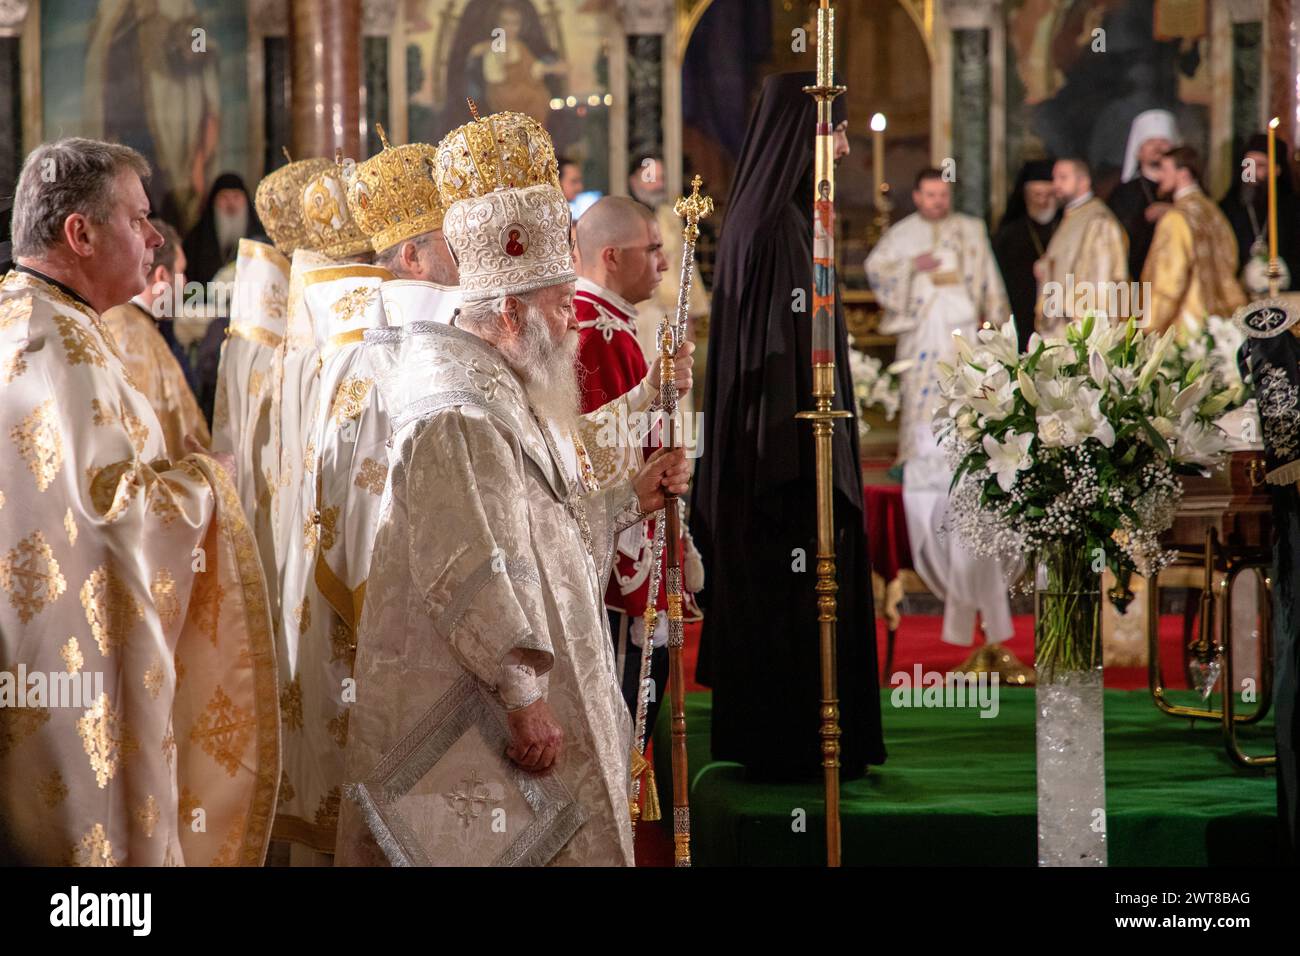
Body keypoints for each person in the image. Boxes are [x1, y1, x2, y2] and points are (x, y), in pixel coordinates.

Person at [335, 172, 690, 867]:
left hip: (514, 686)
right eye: (560, 307)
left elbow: (536, 529)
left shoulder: (497, 379)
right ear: (507, 312)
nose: (571, 322)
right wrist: (524, 693)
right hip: (487, 703)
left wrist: (627, 501)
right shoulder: (457, 410)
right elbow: (466, 565)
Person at [0, 138, 277, 865]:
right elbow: (121, 516)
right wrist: (209, 479)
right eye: (138, 219)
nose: (155, 238)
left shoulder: (24, 317)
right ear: (80, 234)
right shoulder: (62, 349)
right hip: (67, 678)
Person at [692, 71, 884, 780]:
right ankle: (800, 745)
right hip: (787, 462)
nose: (843, 143)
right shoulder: (778, 228)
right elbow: (780, 359)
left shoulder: (769, 217)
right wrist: (811, 465)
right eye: (832, 129)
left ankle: (783, 739)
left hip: (773, 453)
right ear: (802, 138)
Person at [867, 168, 1025, 678]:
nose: (936, 201)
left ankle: (971, 451)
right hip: (924, 335)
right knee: (924, 398)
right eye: (929, 194)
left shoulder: (972, 229)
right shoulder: (904, 235)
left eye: (943, 194)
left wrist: (998, 326)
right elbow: (879, 269)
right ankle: (920, 455)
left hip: (965, 333)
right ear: (917, 195)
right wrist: (916, 266)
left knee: (970, 401)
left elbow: (991, 284)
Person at [573, 195, 703, 739]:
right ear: (610, 256)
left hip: (641, 525)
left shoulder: (615, 324)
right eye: (651, 249)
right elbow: (588, 450)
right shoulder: (594, 330)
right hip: (619, 549)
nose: (664, 262)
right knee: (621, 718)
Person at [101, 218, 209, 460]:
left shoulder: (135, 323)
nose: (187, 283)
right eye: (181, 272)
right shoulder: (130, 333)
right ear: (162, 276)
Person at [1142, 146, 1246, 336]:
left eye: (1165, 170)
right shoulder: (1212, 211)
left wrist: (1147, 327)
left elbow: (1170, 281)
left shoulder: (1175, 218)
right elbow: (1230, 258)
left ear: (1183, 174)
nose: (1159, 177)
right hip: (1221, 323)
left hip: (1185, 329)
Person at [1034, 157, 1129, 338]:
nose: (1056, 184)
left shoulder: (1098, 219)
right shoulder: (1072, 216)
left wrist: (1091, 328)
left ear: (1083, 181)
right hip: (1062, 321)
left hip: (1080, 324)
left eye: (1063, 178)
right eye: (1054, 178)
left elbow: (1103, 278)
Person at [1221, 133, 1300, 296]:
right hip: (1239, 296)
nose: (1251, 172)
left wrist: (1287, 272)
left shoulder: (1293, 208)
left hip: (1285, 298)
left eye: (1261, 165)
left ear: (1277, 170)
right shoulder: (1227, 207)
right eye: (1247, 164)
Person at [993, 159, 1060, 349]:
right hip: (1022, 315)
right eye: (1037, 194)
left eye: (1049, 194)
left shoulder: (1066, 226)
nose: (1043, 201)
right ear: (1025, 195)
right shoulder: (1008, 236)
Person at [1107, 109, 1178, 280]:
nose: (1158, 147)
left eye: (1164, 141)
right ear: (1138, 151)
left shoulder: (1182, 189)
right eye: (1151, 141)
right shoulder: (1124, 193)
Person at [183, 172, 265, 286]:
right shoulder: (195, 240)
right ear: (213, 201)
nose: (231, 204)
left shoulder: (261, 238)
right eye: (224, 197)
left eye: (236, 197)